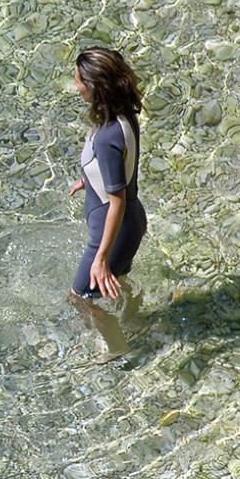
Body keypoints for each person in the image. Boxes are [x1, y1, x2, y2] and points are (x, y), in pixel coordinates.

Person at [66, 46, 147, 304]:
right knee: (117, 286)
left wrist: (101, 258)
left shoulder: (106, 137)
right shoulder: (125, 116)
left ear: (93, 87)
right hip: (131, 223)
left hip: (112, 234)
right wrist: (88, 179)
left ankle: (126, 334)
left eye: (78, 80)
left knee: (80, 300)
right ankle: (135, 320)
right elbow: (122, 165)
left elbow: (117, 201)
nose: (76, 86)